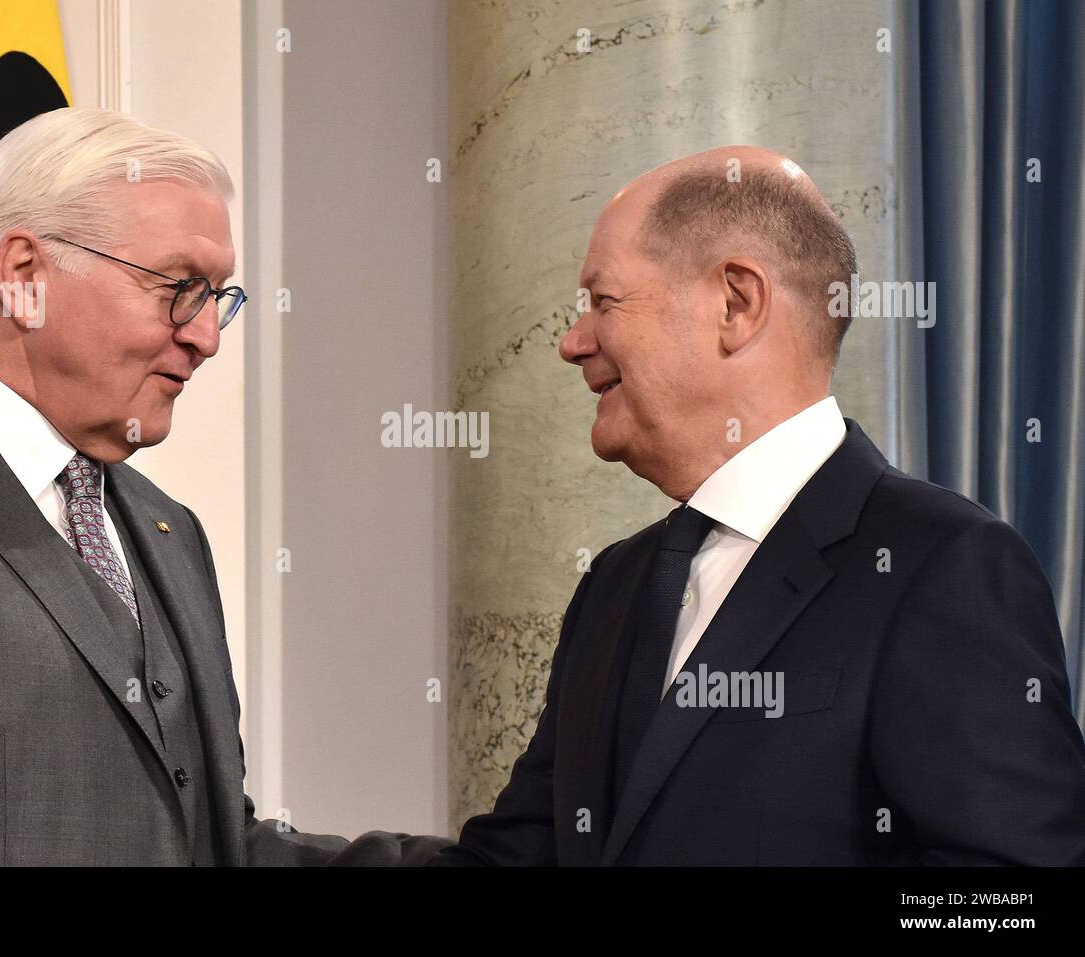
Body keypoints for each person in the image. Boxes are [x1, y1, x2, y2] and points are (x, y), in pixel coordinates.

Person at [0, 107, 446, 865]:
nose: (206, 336)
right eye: (178, 286)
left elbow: (215, 843)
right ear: (26, 277)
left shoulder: (169, 529)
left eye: (217, 297)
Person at [435, 145, 1085, 865]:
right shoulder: (612, 587)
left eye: (603, 300)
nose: (572, 341)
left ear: (736, 303)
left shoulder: (943, 565)